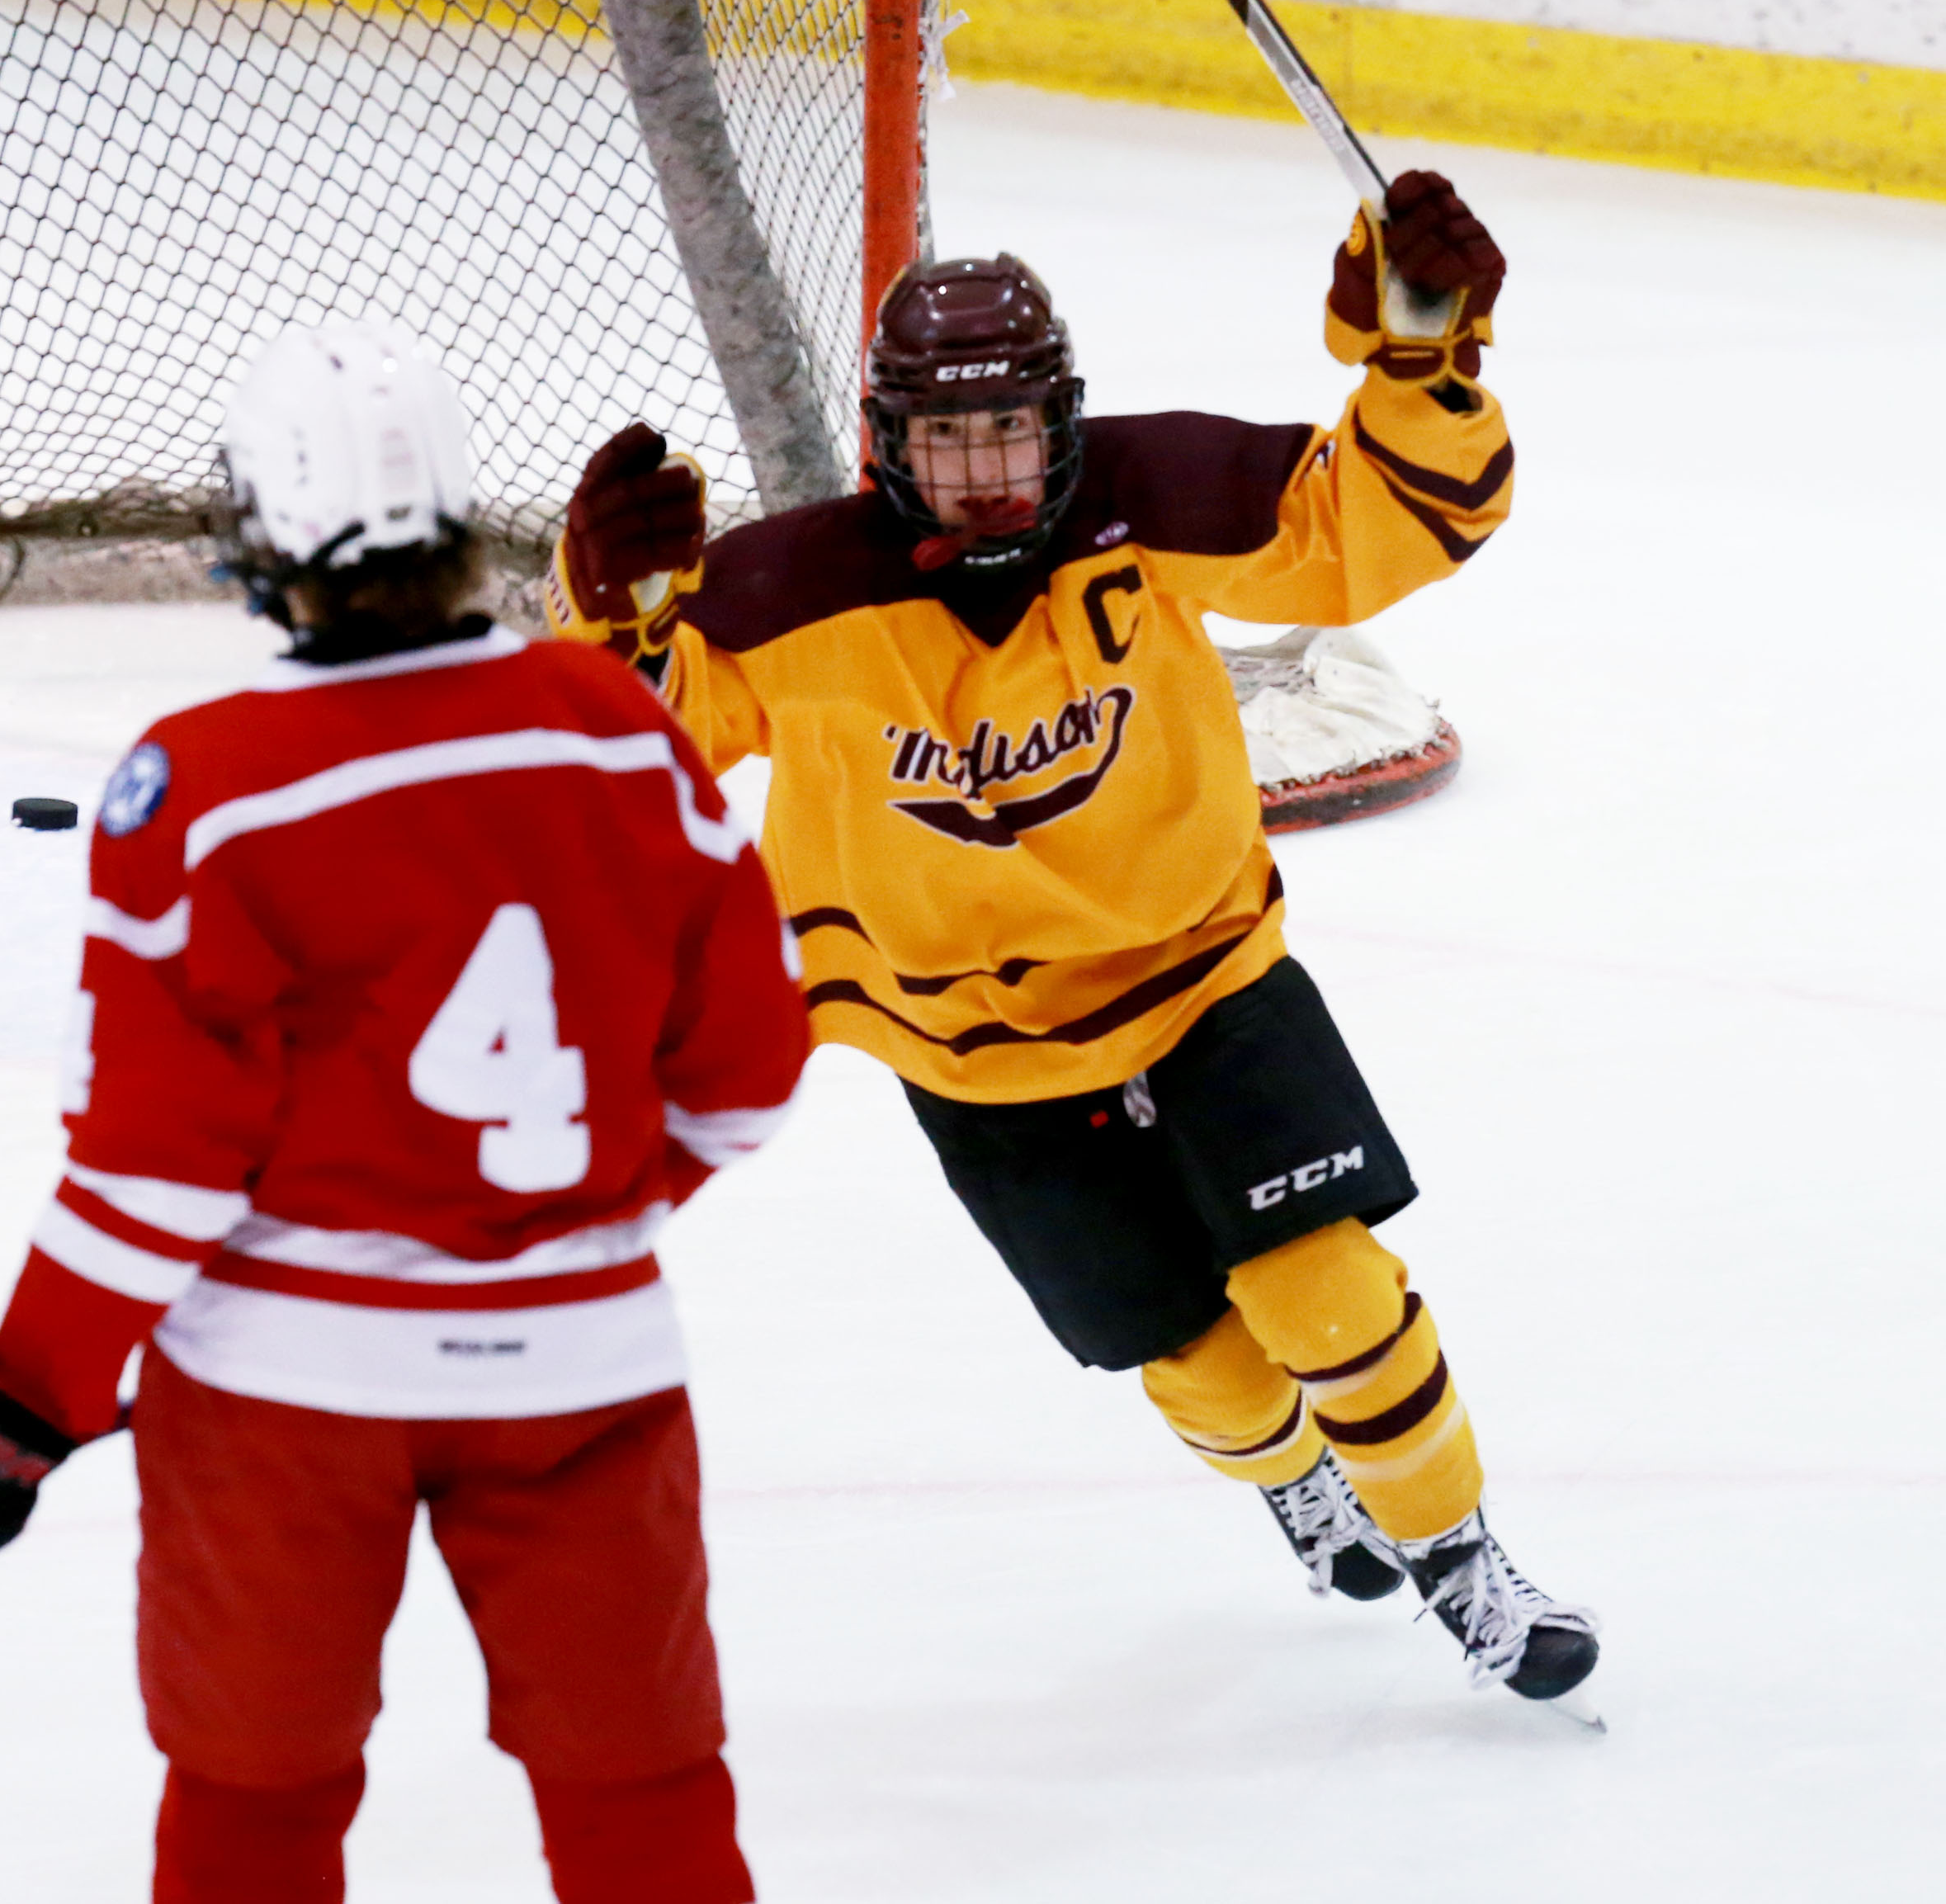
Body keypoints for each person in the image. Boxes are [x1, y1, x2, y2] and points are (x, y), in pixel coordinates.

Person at [547, 172, 1599, 1714]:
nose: (980, 474)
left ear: (1065, 423)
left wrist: (1421, 366)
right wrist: (614, 633)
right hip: (973, 1057)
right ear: (885, 446)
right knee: (1206, 1364)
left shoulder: (1148, 502)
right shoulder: (782, 597)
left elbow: (1381, 525)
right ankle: (1294, 1485)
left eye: (1010, 433)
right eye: (944, 440)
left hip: (1207, 982)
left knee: (1326, 1293)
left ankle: (1460, 1560)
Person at [0, 323, 815, 1902]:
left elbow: (153, 1177)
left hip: (286, 1399)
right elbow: (754, 1065)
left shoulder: (205, 783)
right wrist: (566, 1232)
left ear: (257, 536)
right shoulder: (614, 726)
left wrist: (10, 1404)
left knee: (254, 1800)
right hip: (586, 1366)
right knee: (642, 1791)